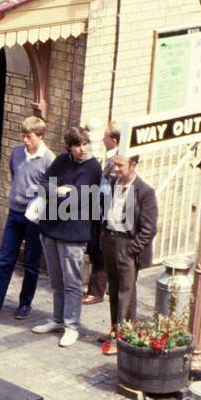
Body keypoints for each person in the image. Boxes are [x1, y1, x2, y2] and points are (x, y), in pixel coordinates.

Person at [32, 126, 102, 348]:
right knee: (56, 280)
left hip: (73, 233)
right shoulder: (61, 160)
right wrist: (57, 191)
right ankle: (57, 319)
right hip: (50, 229)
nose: (82, 149)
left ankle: (72, 326)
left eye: (85, 144)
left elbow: (76, 200)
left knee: (72, 283)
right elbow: (42, 185)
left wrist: (59, 193)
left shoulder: (92, 167)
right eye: (77, 145)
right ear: (69, 147)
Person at [0, 116, 53, 319]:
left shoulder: (49, 159)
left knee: (31, 263)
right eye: (23, 136)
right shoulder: (16, 152)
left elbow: (50, 190)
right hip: (15, 213)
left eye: (29, 136)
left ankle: (25, 303)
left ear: (40, 136)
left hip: (34, 218)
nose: (25, 140)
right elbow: (14, 173)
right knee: (5, 259)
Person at [99, 152, 158, 356]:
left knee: (126, 292)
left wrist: (131, 250)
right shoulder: (114, 183)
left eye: (120, 165)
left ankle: (122, 337)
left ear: (133, 165)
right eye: (114, 164)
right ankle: (117, 329)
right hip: (110, 240)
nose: (115, 168)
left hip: (127, 245)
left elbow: (149, 229)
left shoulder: (145, 192)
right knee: (114, 289)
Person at [84, 122, 120, 305]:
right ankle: (95, 288)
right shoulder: (108, 156)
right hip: (98, 210)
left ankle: (97, 291)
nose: (103, 139)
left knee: (100, 250)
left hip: (105, 212)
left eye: (105, 136)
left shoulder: (116, 160)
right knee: (94, 248)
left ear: (113, 140)